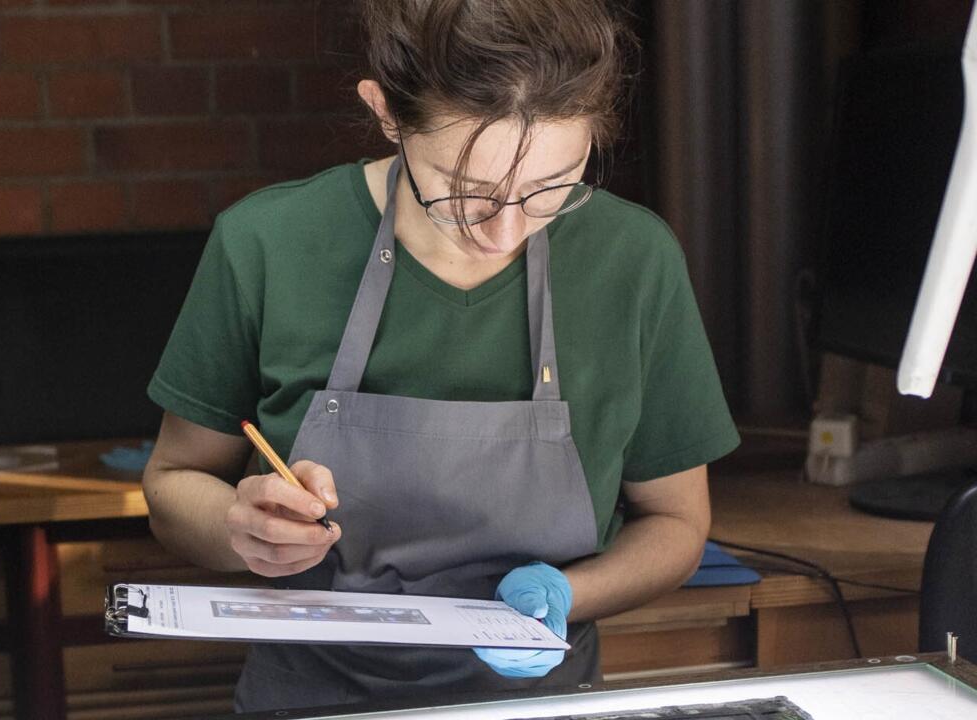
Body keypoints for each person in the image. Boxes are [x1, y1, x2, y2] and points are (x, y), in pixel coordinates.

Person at [142, 0, 739, 712]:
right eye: (466, 193)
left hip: (540, 703)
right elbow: (173, 484)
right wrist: (240, 528)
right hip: (308, 696)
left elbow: (676, 525)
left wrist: (565, 594)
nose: (504, 233)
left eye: (551, 188)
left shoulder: (634, 260)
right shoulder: (268, 242)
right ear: (387, 113)